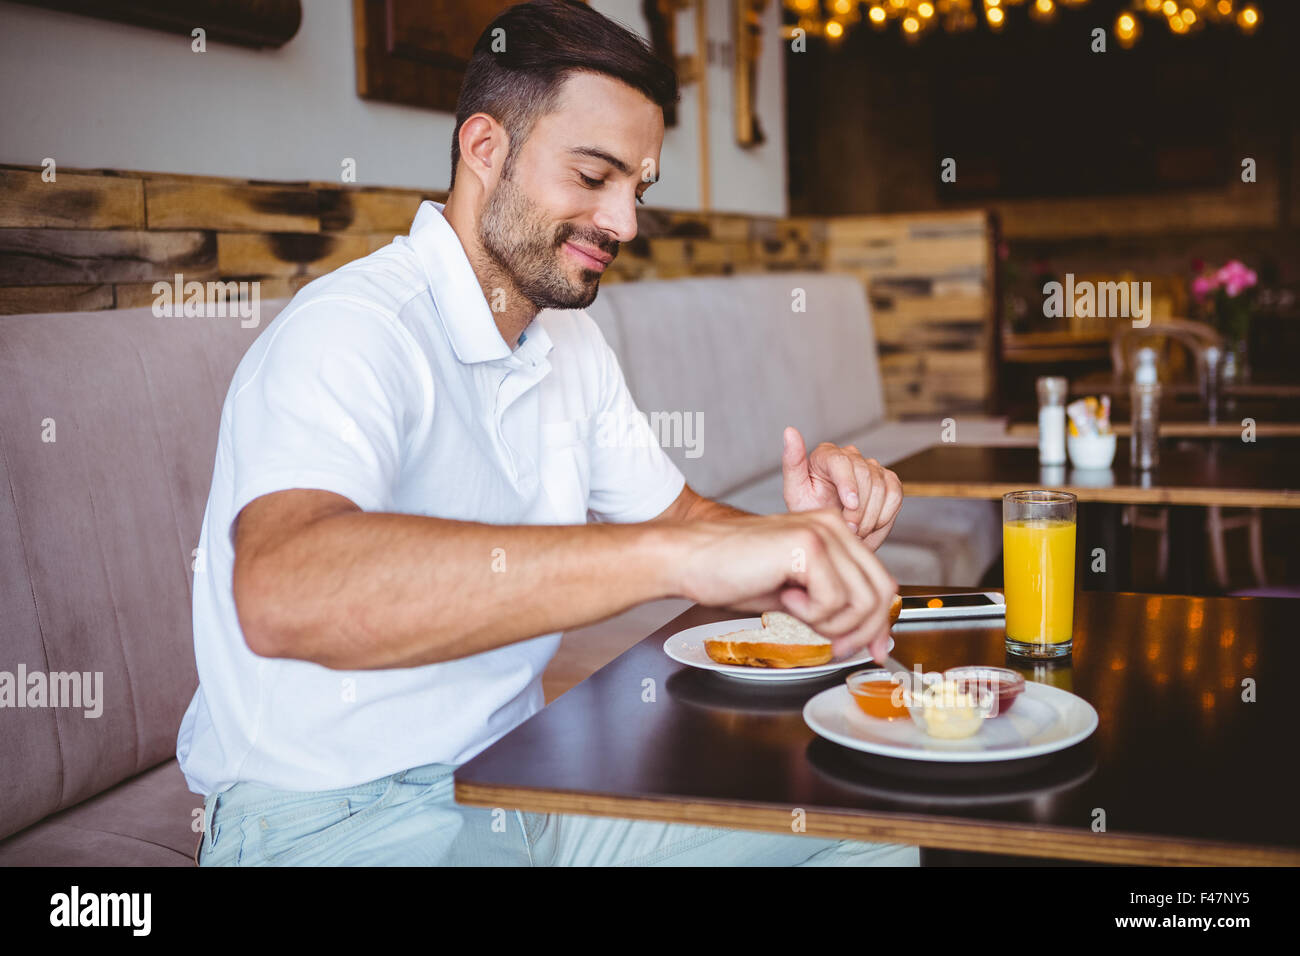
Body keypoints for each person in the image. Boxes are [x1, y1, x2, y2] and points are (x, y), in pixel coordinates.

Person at [179, 0, 911, 867]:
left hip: (521, 783)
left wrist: (795, 540)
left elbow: (680, 523)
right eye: (594, 176)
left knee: (864, 828)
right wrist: (669, 561)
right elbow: (280, 592)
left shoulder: (565, 338)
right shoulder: (349, 329)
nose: (625, 223)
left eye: (637, 188)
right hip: (333, 821)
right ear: (485, 148)